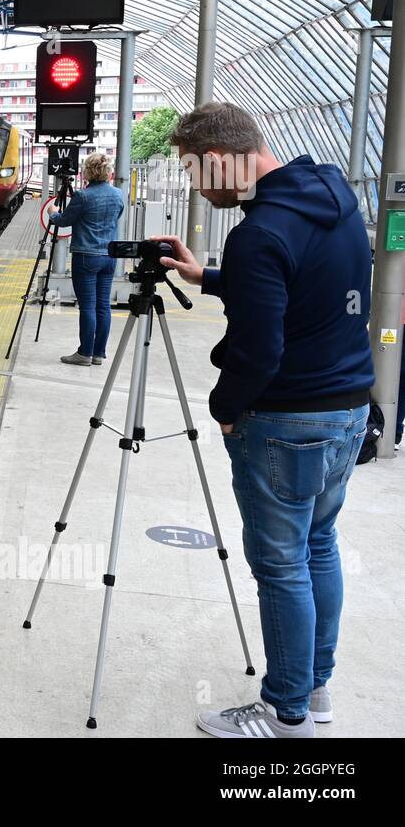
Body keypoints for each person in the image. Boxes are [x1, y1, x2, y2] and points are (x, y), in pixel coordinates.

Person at [154, 102, 373, 739]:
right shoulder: (333, 194)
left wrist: (226, 410)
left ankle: (286, 714)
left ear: (221, 159)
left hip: (284, 421)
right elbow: (307, 291)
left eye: (196, 171)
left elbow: (259, 350)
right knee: (318, 548)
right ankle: (315, 689)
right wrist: (212, 277)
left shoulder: (257, 233)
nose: (196, 185)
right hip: (347, 410)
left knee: (280, 566)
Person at [45, 152, 126, 367]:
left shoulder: (82, 196)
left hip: (86, 256)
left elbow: (63, 221)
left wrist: (53, 212)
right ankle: (99, 353)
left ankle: (84, 353)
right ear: (109, 171)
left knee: (88, 306)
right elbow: (115, 218)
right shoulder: (118, 194)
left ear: (88, 172)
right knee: (103, 305)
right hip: (109, 256)